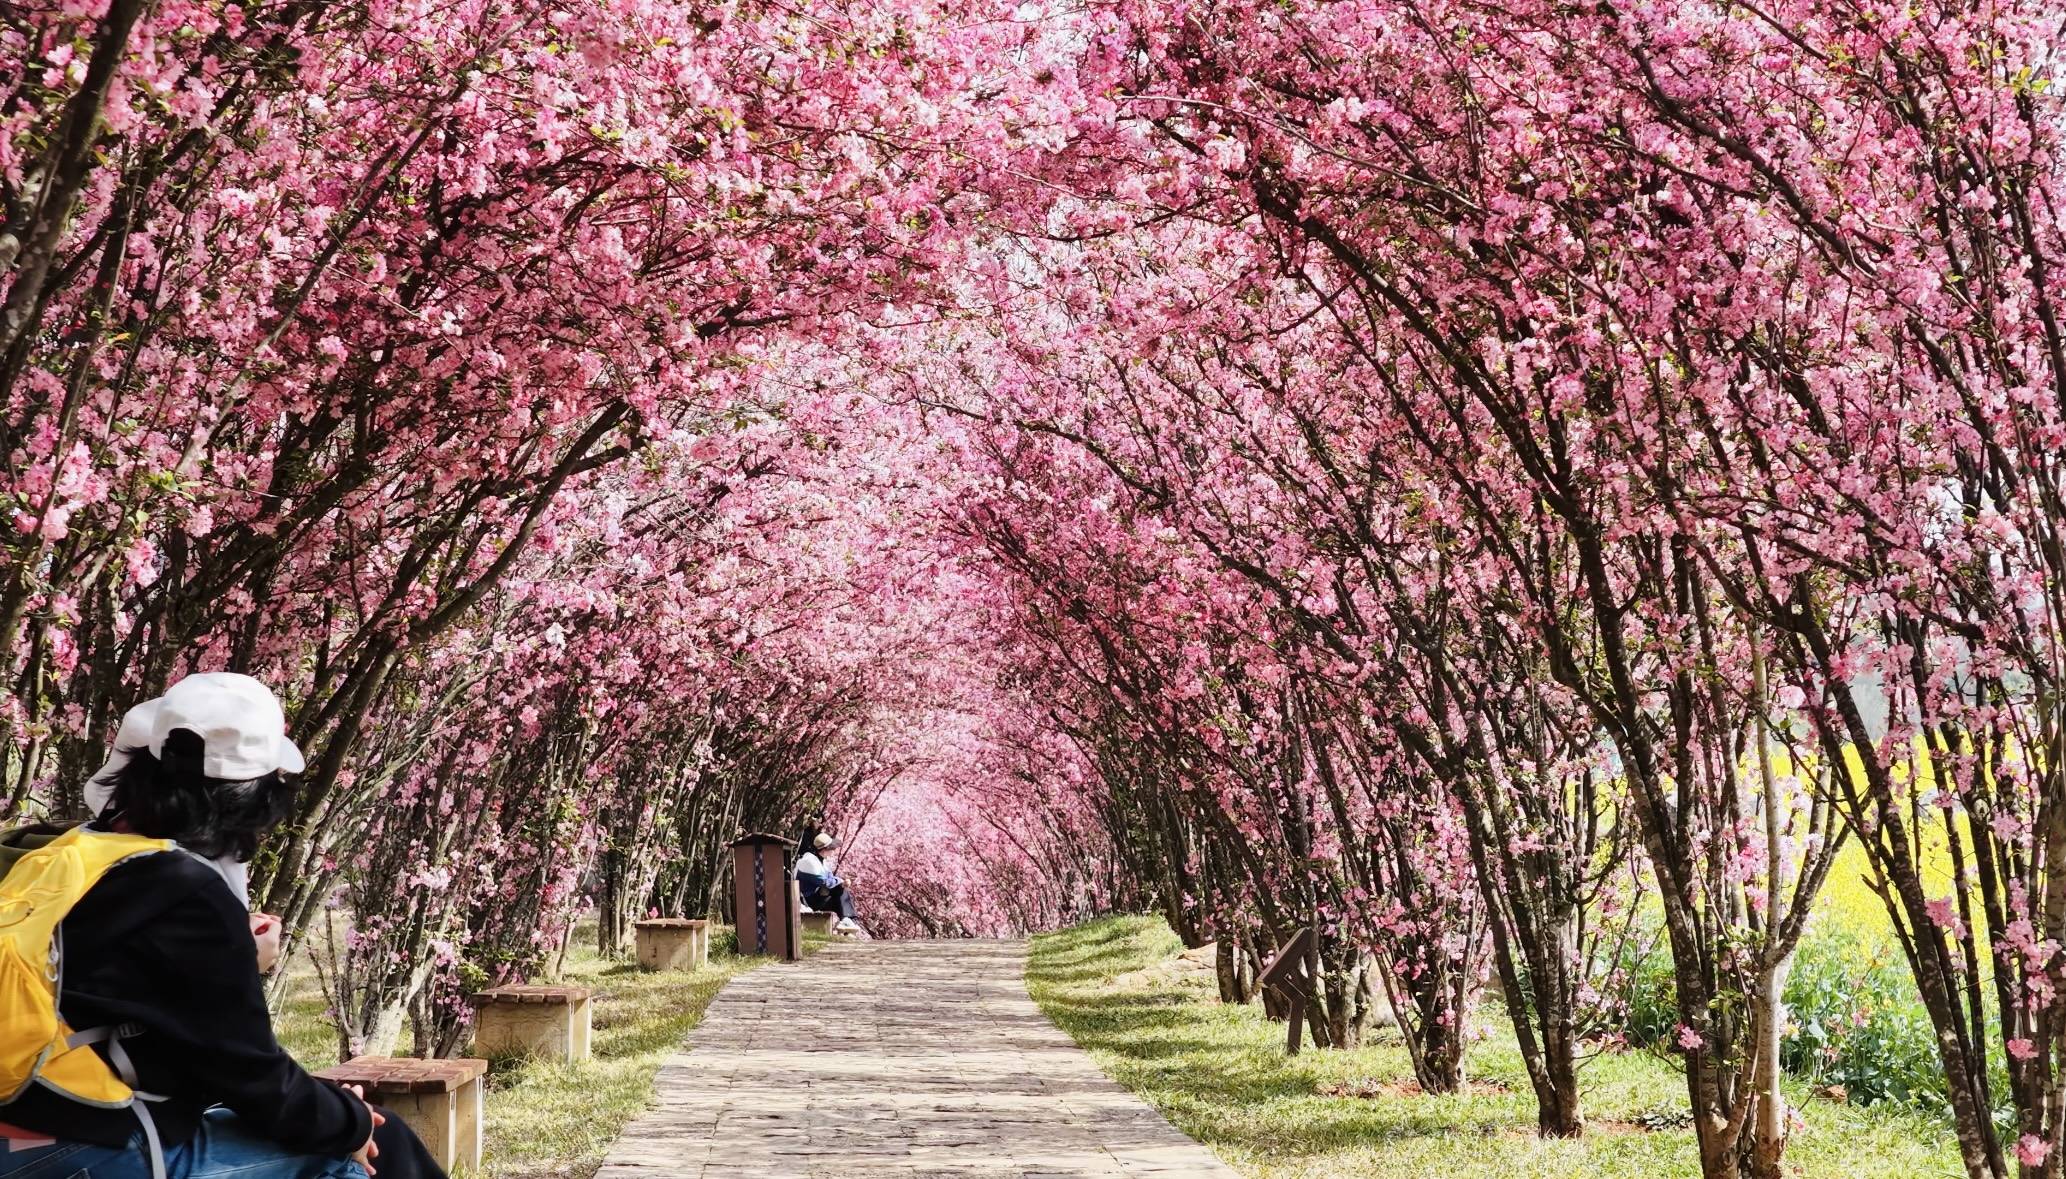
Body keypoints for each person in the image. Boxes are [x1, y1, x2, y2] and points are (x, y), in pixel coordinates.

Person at [0, 672, 444, 1179]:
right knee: (353, 1157)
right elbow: (254, 1079)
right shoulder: (186, 891)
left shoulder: (73, 854)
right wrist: (353, 1123)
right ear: (250, 798)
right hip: (87, 1148)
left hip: (24, 1118)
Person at [792, 833, 861, 933]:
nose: (833, 851)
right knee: (841, 891)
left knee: (841, 892)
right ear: (825, 849)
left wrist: (841, 881)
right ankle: (847, 920)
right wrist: (841, 881)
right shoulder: (808, 862)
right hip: (808, 900)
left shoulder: (820, 861)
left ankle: (847, 921)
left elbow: (831, 879)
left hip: (816, 897)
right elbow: (825, 882)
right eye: (832, 848)